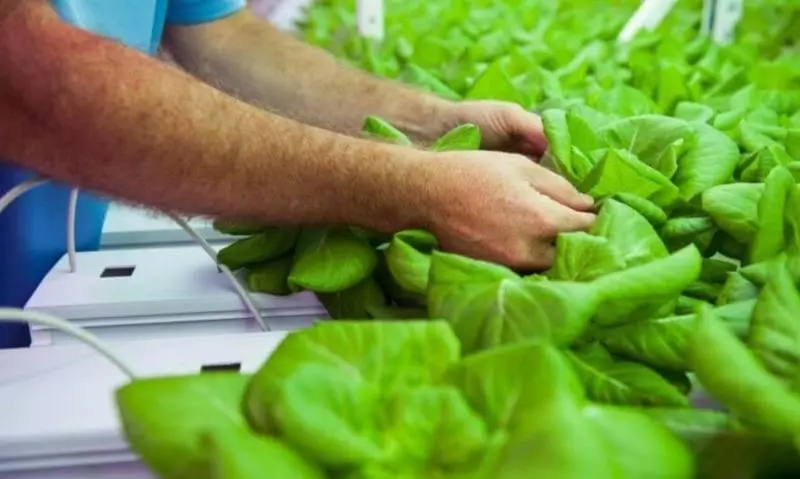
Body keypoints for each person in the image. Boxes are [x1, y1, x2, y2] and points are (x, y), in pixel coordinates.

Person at [0, 0, 595, 345]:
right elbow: (25, 78)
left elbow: (219, 32)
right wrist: (410, 187)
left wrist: (433, 123)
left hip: (62, 272)